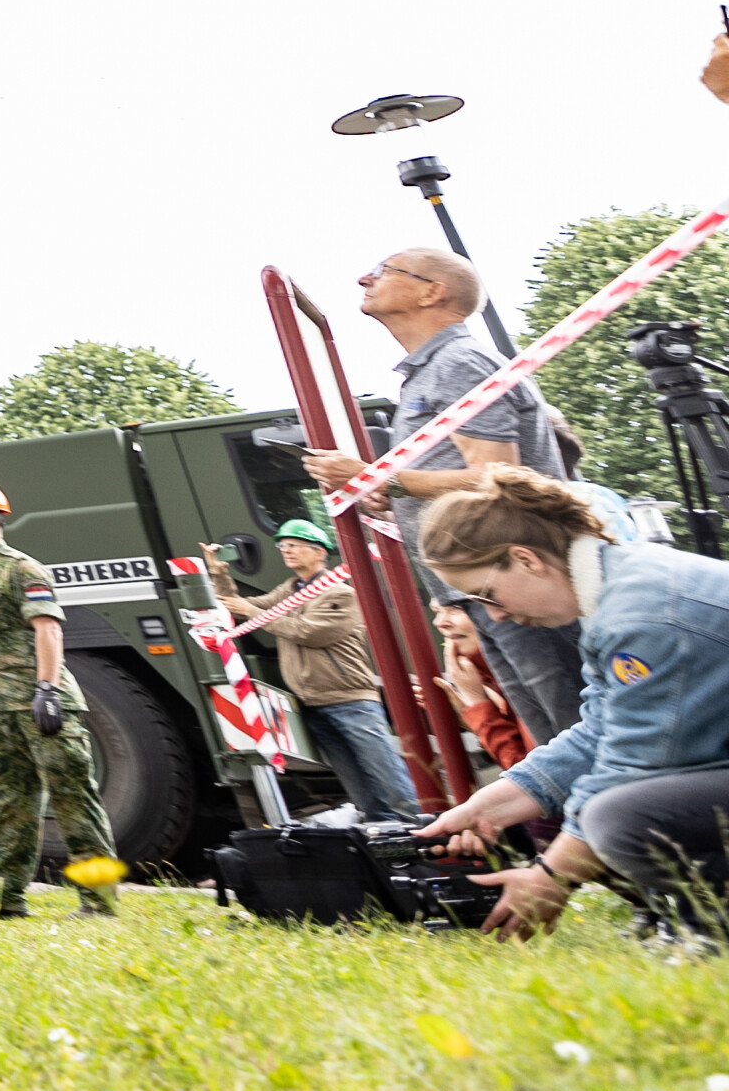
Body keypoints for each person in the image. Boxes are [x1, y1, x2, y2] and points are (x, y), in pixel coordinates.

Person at [404, 471, 729, 943]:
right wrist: (493, 805)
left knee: (620, 818)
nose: (493, 616)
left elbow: (633, 765)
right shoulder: (622, 590)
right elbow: (600, 728)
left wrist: (550, 876)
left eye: (487, 595)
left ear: (526, 559)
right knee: (610, 814)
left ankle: (709, 940)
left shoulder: (640, 617)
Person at [301, 249, 585, 745]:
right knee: (549, 732)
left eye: (385, 270)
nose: (364, 277)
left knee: (568, 728)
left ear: (434, 292)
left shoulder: (460, 363)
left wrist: (379, 479)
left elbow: (497, 475)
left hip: (516, 579)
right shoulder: (435, 369)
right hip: (486, 585)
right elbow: (458, 476)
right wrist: (393, 493)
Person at [0, 477, 121, 918]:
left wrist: (48, 689)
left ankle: (99, 900)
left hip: (39, 706)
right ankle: (2, 899)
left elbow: (48, 629)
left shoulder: (22, 569)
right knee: (4, 804)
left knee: (73, 801)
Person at [203, 520, 422, 819]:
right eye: (283, 546)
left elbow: (308, 632)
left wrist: (254, 612)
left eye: (294, 545)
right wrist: (219, 573)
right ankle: (382, 835)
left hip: (350, 701)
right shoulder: (290, 590)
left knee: (386, 773)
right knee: (354, 781)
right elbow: (236, 606)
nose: (286, 551)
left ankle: (415, 828)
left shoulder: (340, 594)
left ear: (319, 552)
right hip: (313, 703)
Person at [432, 605, 532, 769]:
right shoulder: (490, 677)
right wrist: (471, 717)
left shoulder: (528, 674)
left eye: (455, 609)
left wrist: (477, 704)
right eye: (437, 612)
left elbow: (530, 773)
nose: (439, 622)